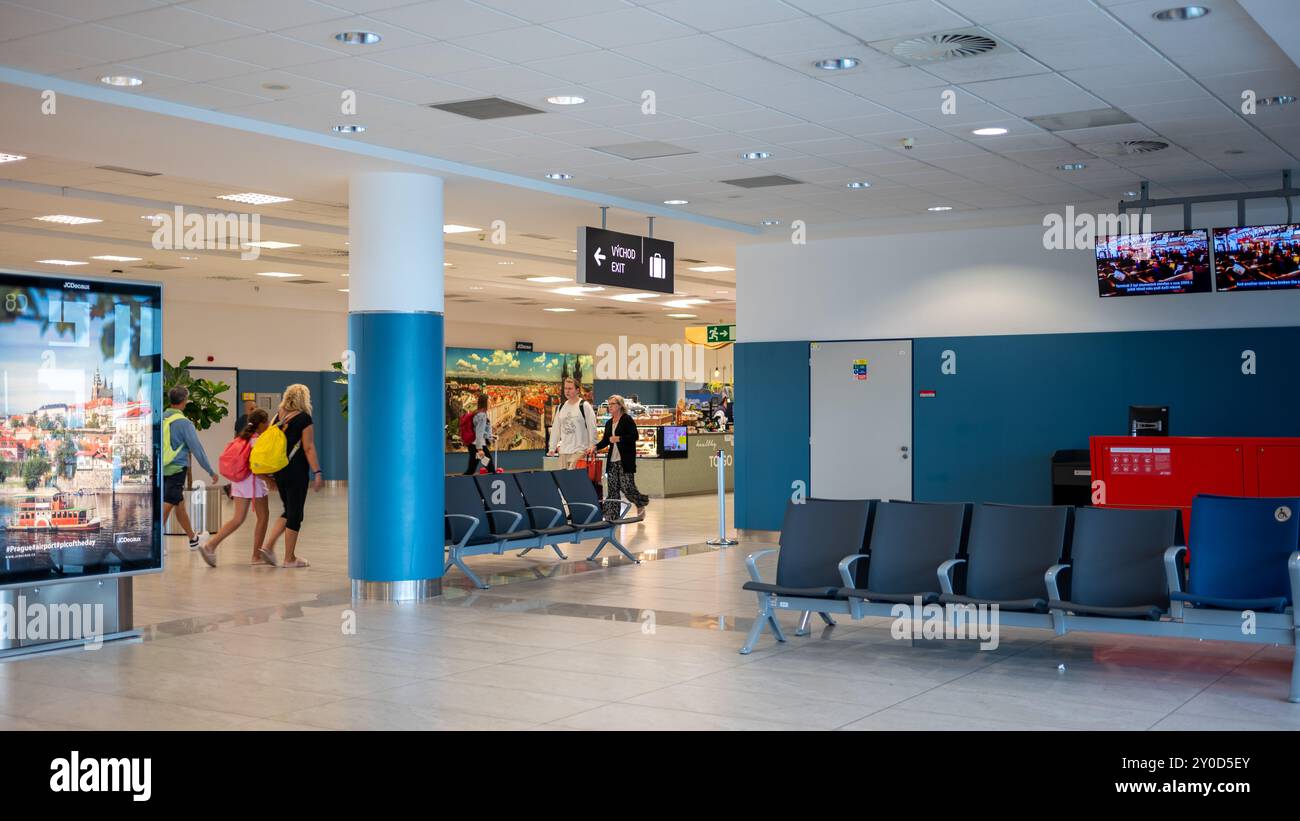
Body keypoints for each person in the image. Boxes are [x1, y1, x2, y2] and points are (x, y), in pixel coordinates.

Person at [258, 384, 323, 569]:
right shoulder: (304, 418)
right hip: (296, 471)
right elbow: (308, 447)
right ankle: (289, 558)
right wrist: (317, 471)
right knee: (296, 514)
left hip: (279, 470)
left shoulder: (278, 416)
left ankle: (268, 546)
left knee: (289, 510)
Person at [197, 409, 271, 568]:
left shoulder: (241, 438)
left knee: (237, 519)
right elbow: (258, 467)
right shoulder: (258, 441)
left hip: (239, 481)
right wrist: (271, 481)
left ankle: (210, 545)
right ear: (263, 424)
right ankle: (256, 556)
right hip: (254, 482)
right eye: (268, 421)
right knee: (263, 517)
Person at [161, 386, 218, 551]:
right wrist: (210, 471)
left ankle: (193, 539)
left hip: (161, 468)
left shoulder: (162, 418)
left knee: (179, 504)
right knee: (169, 503)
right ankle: (157, 544)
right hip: (177, 469)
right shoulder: (184, 423)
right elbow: (197, 449)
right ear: (184, 401)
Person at [589, 394, 648, 519]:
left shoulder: (627, 419)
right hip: (612, 460)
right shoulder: (609, 422)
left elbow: (634, 436)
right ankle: (612, 516)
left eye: (612, 404)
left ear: (620, 406)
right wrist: (595, 447)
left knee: (627, 488)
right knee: (612, 489)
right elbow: (606, 440)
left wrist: (619, 438)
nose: (609, 407)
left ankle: (640, 503)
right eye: (608, 404)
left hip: (625, 460)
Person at [547, 377, 597, 470]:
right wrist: (552, 447)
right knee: (564, 482)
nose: (567, 391)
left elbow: (592, 426)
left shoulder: (584, 405)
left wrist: (592, 445)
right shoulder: (561, 407)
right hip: (564, 451)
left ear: (577, 390)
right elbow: (556, 429)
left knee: (575, 480)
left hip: (580, 451)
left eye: (570, 388)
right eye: (565, 388)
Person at [464, 393, 495, 474]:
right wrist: (480, 449)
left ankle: (460, 483)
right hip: (478, 446)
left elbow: (478, 430)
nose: (491, 402)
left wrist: (490, 436)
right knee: (491, 468)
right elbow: (479, 432)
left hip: (473, 445)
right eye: (489, 401)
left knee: (471, 470)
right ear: (485, 403)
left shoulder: (477, 413)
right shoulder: (482, 415)